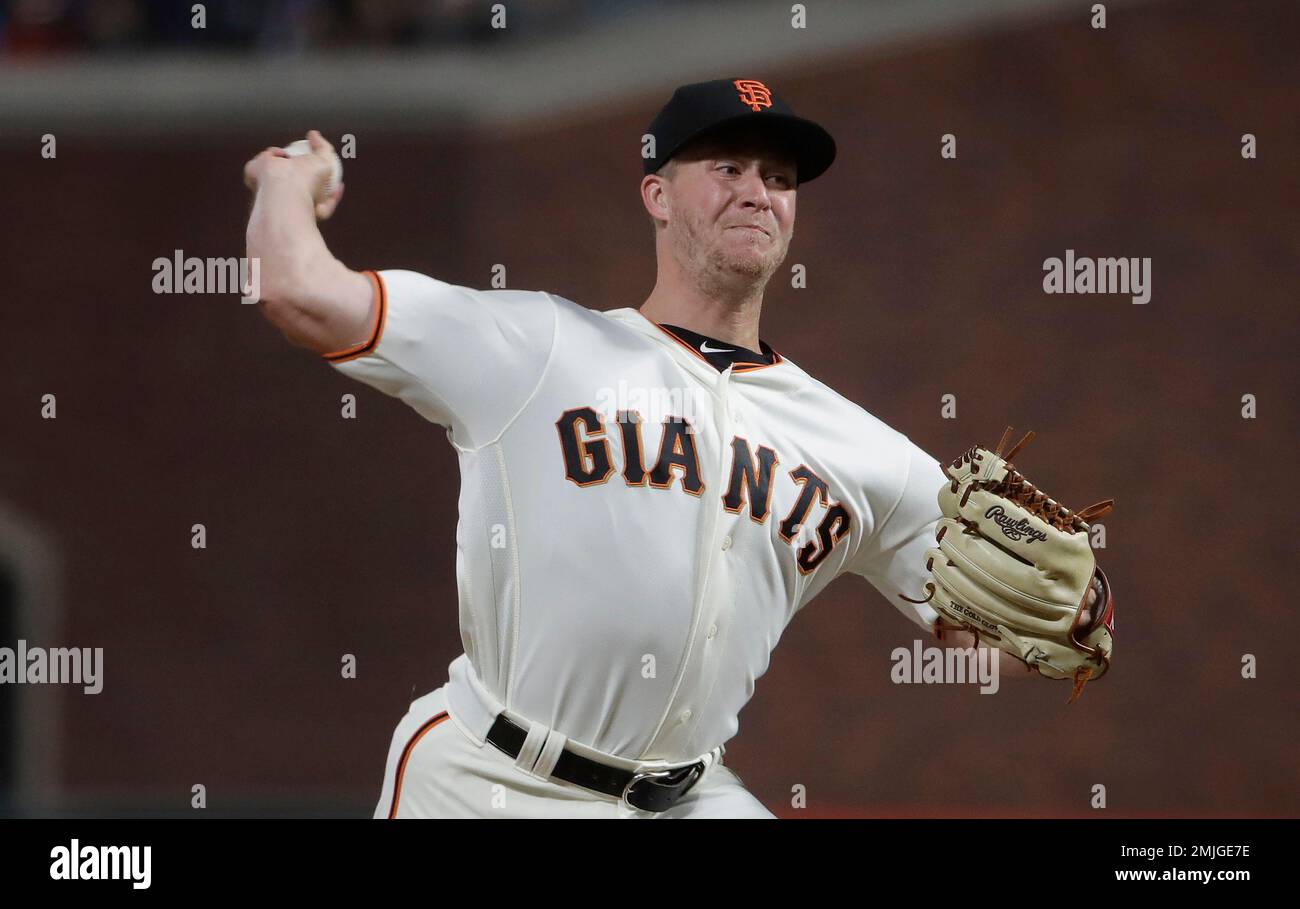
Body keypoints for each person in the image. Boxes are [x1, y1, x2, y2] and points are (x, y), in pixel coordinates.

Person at [242, 77, 1098, 818]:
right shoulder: (537, 346)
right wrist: (286, 180)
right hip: (486, 777)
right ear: (657, 194)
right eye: (727, 167)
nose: (757, 191)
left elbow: (980, 630)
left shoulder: (860, 449)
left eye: (779, 176)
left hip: (687, 795)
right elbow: (298, 291)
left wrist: (1080, 620)